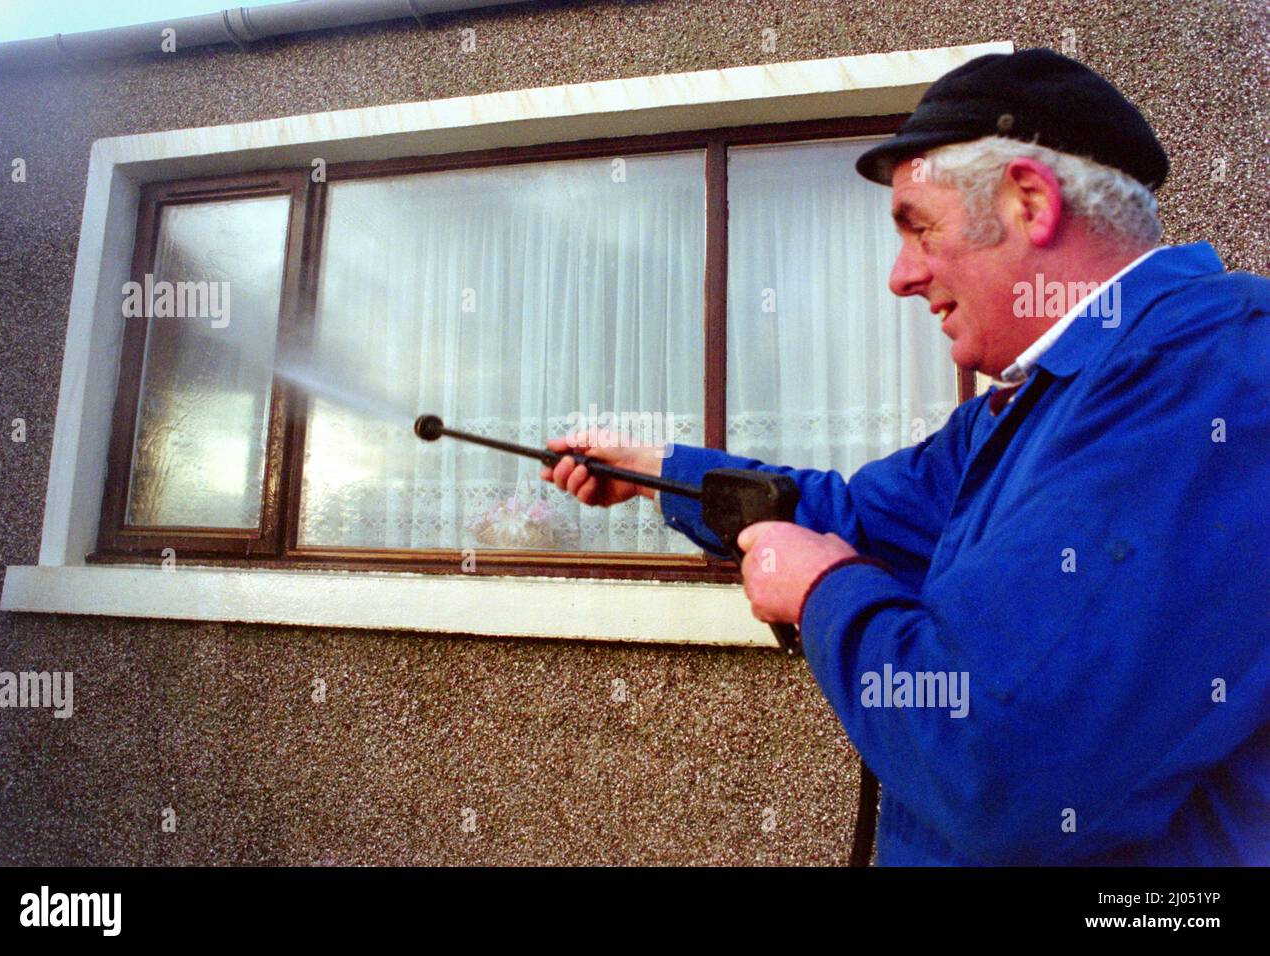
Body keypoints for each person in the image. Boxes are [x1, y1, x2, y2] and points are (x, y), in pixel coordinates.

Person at [540, 49, 1270, 865]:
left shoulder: (1206, 375)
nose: (900, 277)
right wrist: (654, 470)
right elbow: (848, 517)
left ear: (1030, 201)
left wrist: (822, 589)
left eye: (919, 226)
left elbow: (1004, 767)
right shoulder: (1033, 402)